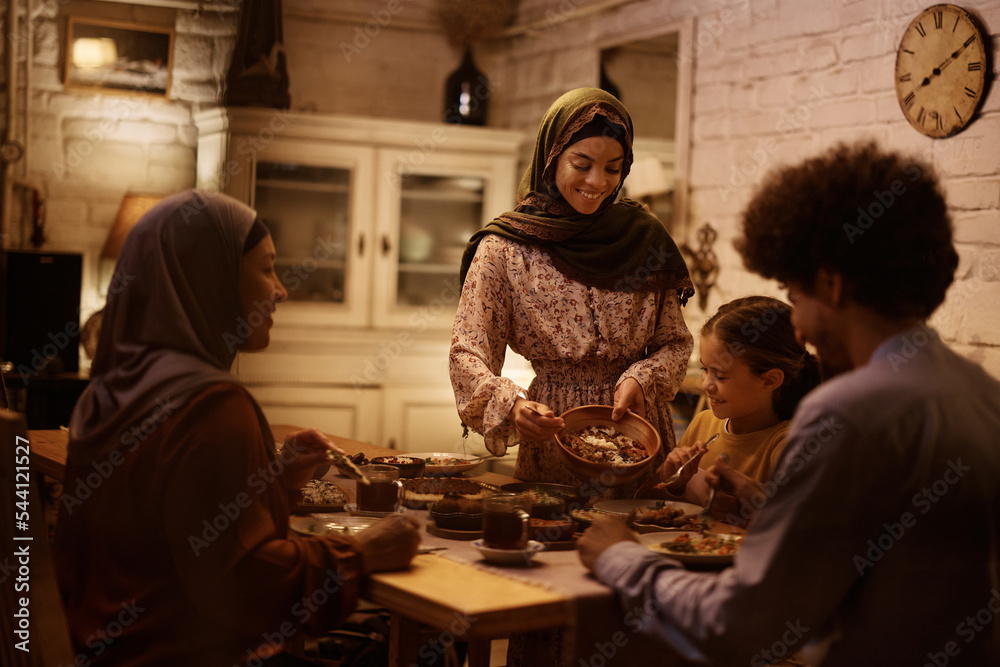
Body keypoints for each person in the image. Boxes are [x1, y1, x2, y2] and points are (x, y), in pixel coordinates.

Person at [577, 141, 1000, 665]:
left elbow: (739, 624)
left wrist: (621, 558)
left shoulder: (848, 412)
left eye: (796, 297)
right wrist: (774, 511)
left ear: (831, 284)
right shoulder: (981, 393)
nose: (797, 326)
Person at [54, 190, 421, 666]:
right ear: (212, 278)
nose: (280, 289)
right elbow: (244, 589)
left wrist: (273, 484)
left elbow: (175, 530)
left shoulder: (109, 393)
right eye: (267, 267)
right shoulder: (211, 405)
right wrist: (359, 554)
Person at [450, 87, 694, 496]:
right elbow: (467, 352)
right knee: (553, 540)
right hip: (555, 434)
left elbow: (675, 342)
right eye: (581, 164)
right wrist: (514, 405)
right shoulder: (507, 248)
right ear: (551, 157)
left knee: (641, 541)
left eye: (614, 168)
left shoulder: (644, 239)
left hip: (638, 431)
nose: (597, 182)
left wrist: (641, 377)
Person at [637, 295, 821, 521]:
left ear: (769, 381)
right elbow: (642, 506)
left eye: (720, 376)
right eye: (705, 370)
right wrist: (672, 479)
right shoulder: (703, 424)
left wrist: (747, 510)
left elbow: (798, 531)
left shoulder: (787, 446)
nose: (705, 384)